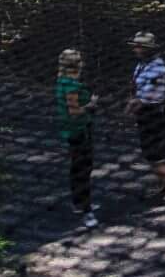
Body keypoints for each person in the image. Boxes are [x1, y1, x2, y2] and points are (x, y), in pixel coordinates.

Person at [127, 31, 165, 201]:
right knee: (149, 153)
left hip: (154, 113)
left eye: (140, 46)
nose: (136, 49)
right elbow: (135, 86)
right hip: (144, 113)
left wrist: (131, 107)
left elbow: (148, 95)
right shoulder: (142, 64)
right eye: (136, 46)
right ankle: (162, 185)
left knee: (156, 153)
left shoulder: (157, 66)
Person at [54, 49, 97, 231]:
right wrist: (91, 105)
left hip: (71, 131)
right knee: (83, 169)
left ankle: (78, 202)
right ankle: (86, 210)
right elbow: (74, 111)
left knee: (77, 167)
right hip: (79, 131)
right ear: (78, 64)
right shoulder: (71, 85)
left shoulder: (62, 81)